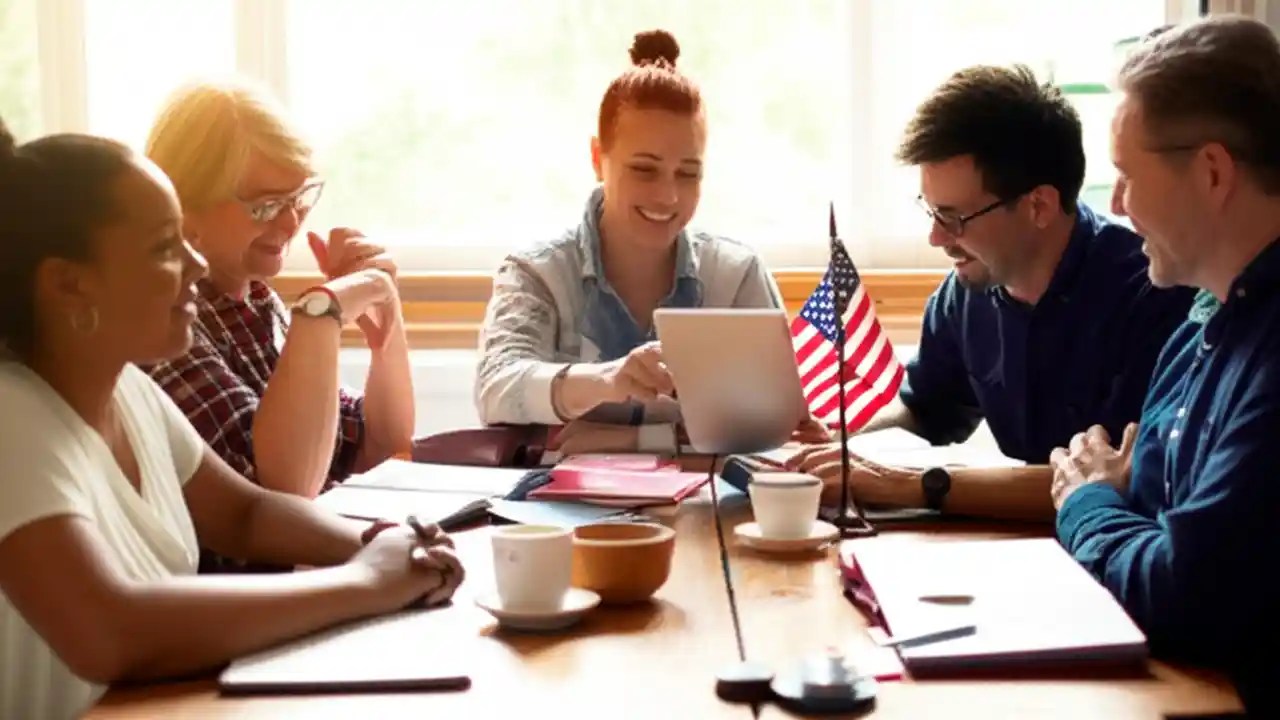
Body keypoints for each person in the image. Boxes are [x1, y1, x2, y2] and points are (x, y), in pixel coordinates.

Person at [0, 119, 463, 720]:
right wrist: (368, 583)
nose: (195, 265)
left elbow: (247, 513)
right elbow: (108, 632)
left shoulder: (132, 391)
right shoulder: (14, 415)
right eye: (166, 246)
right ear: (68, 284)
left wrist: (386, 543)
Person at [788, 63, 1195, 521]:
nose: (937, 240)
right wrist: (844, 448)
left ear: (1038, 205)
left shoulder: (1155, 295)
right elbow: (926, 411)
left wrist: (912, 485)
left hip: (1113, 555)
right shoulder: (964, 295)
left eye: (955, 219)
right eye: (931, 212)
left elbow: (1109, 483)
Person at [1050, 16, 1280, 711]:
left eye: (1125, 175)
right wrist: (1124, 510)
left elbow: (1183, 595)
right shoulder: (1198, 326)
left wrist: (1086, 500)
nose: (1116, 207)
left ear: (1211, 171)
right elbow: (1152, 524)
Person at [474, 29, 826, 456]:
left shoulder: (736, 275)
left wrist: (636, 440)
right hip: (561, 513)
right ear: (596, 158)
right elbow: (496, 389)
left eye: (688, 173)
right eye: (644, 169)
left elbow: (777, 430)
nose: (668, 197)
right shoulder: (538, 272)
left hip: (708, 511)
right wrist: (606, 380)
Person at [143, 80, 414, 500]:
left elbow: (377, 445)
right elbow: (285, 490)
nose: (290, 223)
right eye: (266, 206)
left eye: (299, 197)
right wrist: (320, 314)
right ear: (184, 210)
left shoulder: (257, 302)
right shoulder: (166, 327)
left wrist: (385, 323)